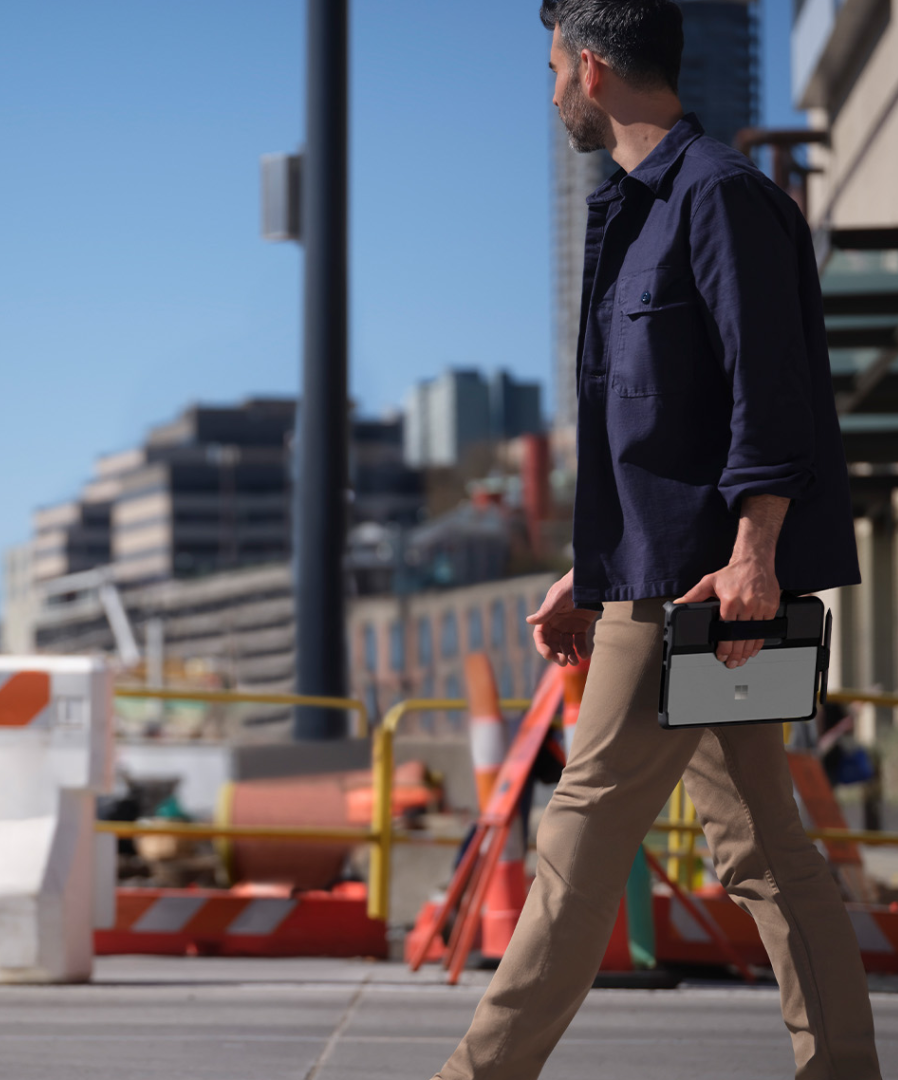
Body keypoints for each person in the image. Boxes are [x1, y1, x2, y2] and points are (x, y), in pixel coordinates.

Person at [431, 3, 883, 1078]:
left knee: (578, 839)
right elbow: (653, 436)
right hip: (663, 585)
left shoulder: (719, 199)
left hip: (701, 595)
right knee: (767, 849)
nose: (549, 96)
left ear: (592, 68)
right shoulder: (638, 210)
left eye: (551, 70)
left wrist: (755, 557)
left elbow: (767, 395)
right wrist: (586, 573)